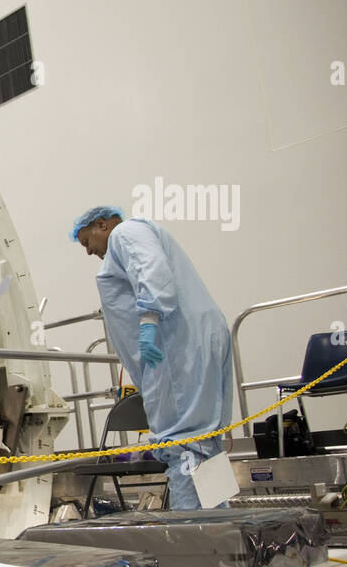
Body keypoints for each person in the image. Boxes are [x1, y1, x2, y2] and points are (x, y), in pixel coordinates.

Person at [72, 206, 234, 508]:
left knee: (183, 440)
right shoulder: (136, 236)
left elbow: (151, 271)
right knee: (202, 439)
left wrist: (148, 322)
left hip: (174, 346)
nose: (88, 251)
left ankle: (195, 536)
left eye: (86, 242)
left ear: (102, 224)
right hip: (187, 340)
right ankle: (219, 528)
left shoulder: (125, 233)